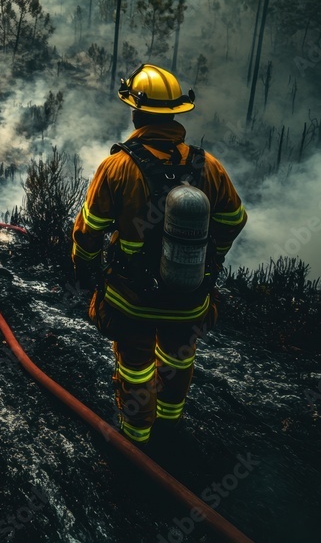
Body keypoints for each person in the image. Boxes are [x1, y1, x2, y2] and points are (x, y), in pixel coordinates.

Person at [72, 64, 247, 448]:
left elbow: (89, 230)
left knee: (136, 366)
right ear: (175, 114)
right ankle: (171, 428)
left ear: (136, 112)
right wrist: (209, 261)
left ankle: (137, 443)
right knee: (179, 358)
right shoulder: (209, 166)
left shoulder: (118, 166)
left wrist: (84, 270)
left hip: (132, 299)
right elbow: (234, 220)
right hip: (187, 298)